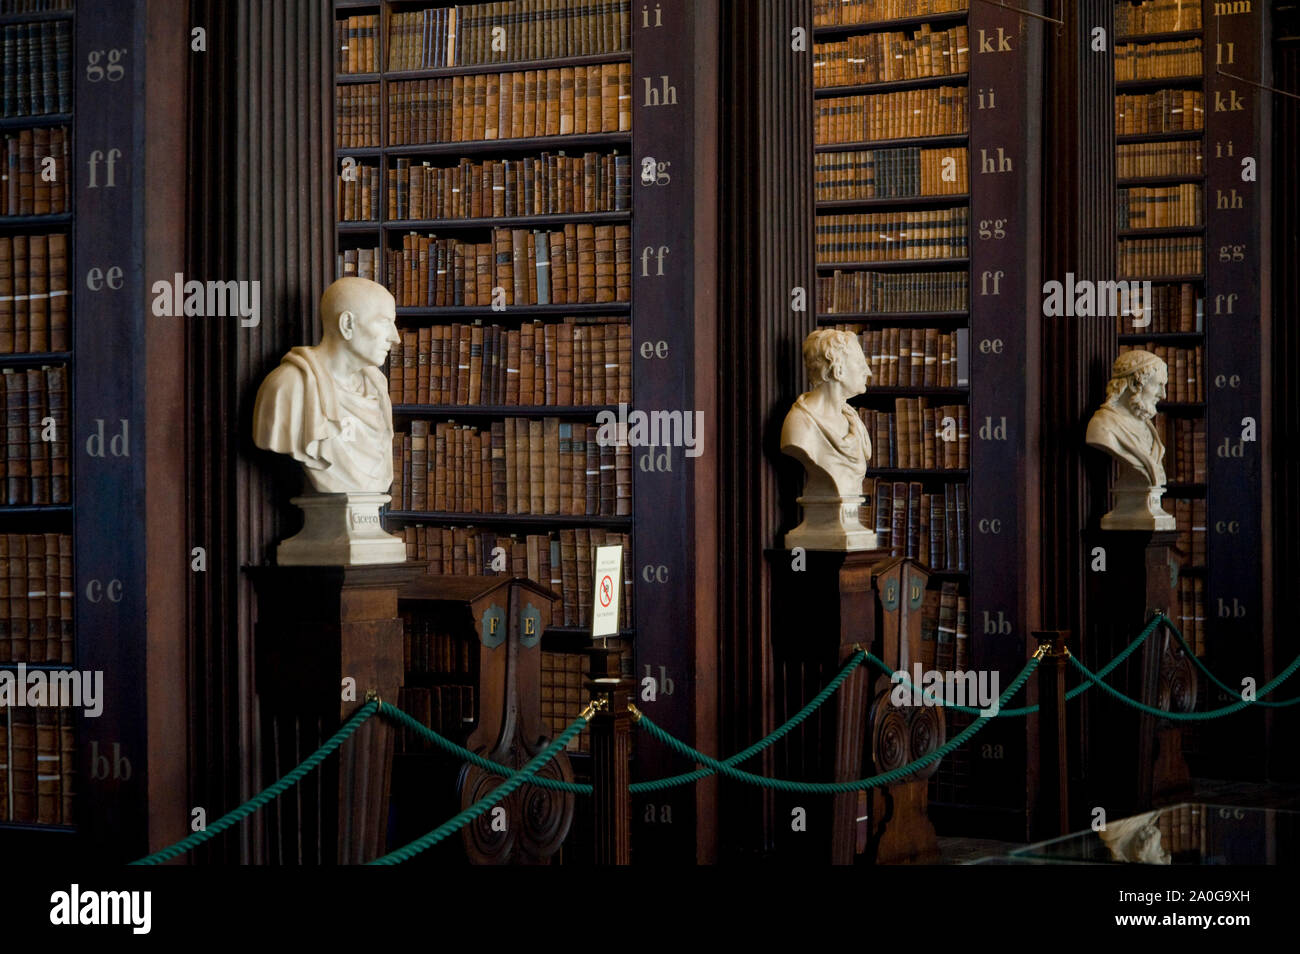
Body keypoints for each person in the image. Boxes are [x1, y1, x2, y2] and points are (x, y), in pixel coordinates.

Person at [253, 277, 401, 494]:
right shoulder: (288, 387)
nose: (395, 337)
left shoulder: (377, 388)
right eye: (384, 321)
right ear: (347, 324)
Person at [1085, 349, 1168, 488]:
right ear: (1134, 384)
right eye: (1158, 385)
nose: (1163, 395)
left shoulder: (1148, 428)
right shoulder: (1102, 426)